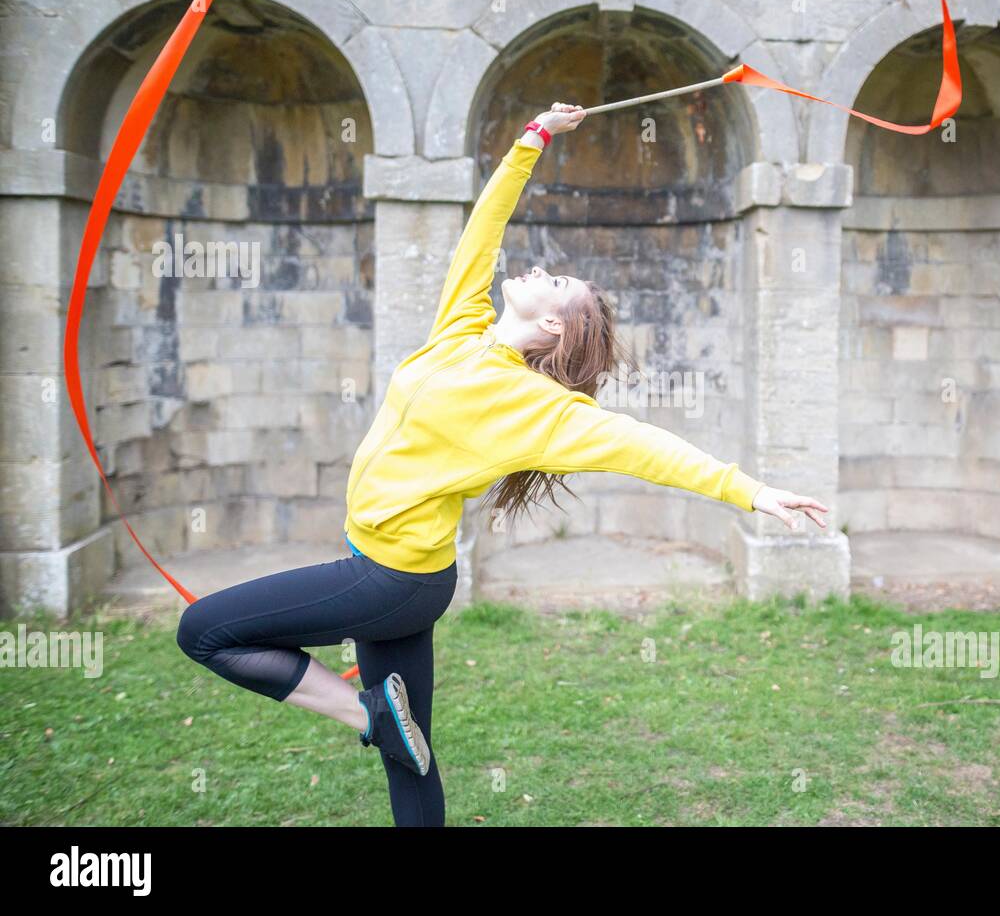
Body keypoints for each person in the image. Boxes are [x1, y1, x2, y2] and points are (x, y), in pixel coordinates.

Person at [176, 102, 829, 827]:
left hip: (390, 580)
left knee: (204, 631)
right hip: (398, 571)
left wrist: (751, 490)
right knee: (412, 756)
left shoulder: (536, 410)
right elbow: (481, 231)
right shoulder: (461, 328)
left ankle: (366, 714)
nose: (542, 270)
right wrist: (534, 139)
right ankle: (386, 726)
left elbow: (645, 448)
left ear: (554, 325)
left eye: (558, 284)